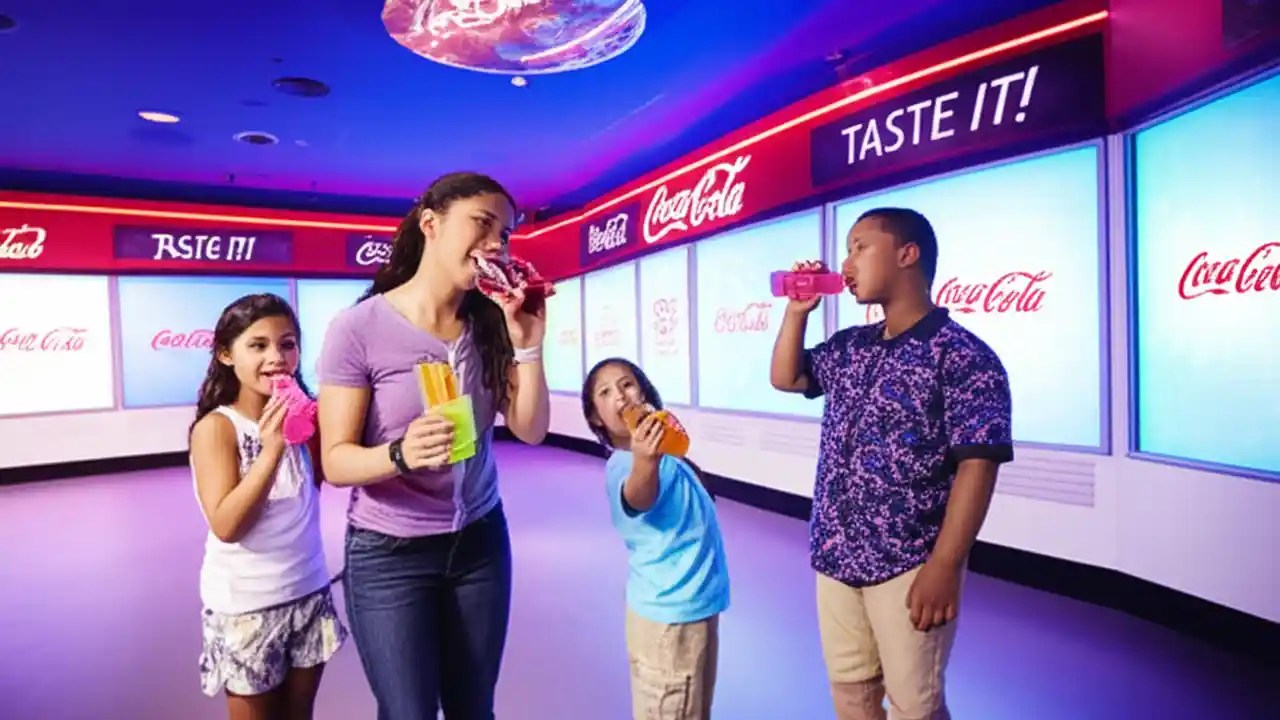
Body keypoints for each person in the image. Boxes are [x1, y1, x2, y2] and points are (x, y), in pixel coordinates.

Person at [315, 172, 550, 719]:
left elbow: (531, 428)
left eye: (507, 234)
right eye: (482, 224)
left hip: (481, 545)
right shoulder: (358, 328)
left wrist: (529, 347)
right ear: (431, 224)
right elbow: (336, 459)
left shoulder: (492, 322)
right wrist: (398, 454)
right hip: (389, 555)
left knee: (474, 710)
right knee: (408, 713)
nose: (497, 243)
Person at [770, 208, 1013, 720]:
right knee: (851, 693)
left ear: (908, 255)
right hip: (835, 556)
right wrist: (797, 313)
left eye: (860, 246)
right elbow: (787, 378)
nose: (846, 261)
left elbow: (978, 466)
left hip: (910, 564)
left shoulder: (964, 356)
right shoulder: (852, 347)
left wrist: (945, 565)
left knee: (914, 705)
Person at [188, 293, 346, 720]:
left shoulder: (308, 419)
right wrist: (272, 448)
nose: (277, 357)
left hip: (309, 591)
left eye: (288, 344)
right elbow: (227, 525)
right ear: (225, 354)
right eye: (257, 345)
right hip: (247, 605)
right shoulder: (217, 428)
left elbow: (333, 472)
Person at [581, 357, 730, 720]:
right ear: (597, 418)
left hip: (695, 608)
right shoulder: (625, 464)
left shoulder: (668, 455)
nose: (620, 395)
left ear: (644, 391)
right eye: (605, 392)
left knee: (693, 709)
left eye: (627, 384)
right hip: (670, 618)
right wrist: (644, 461)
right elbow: (636, 498)